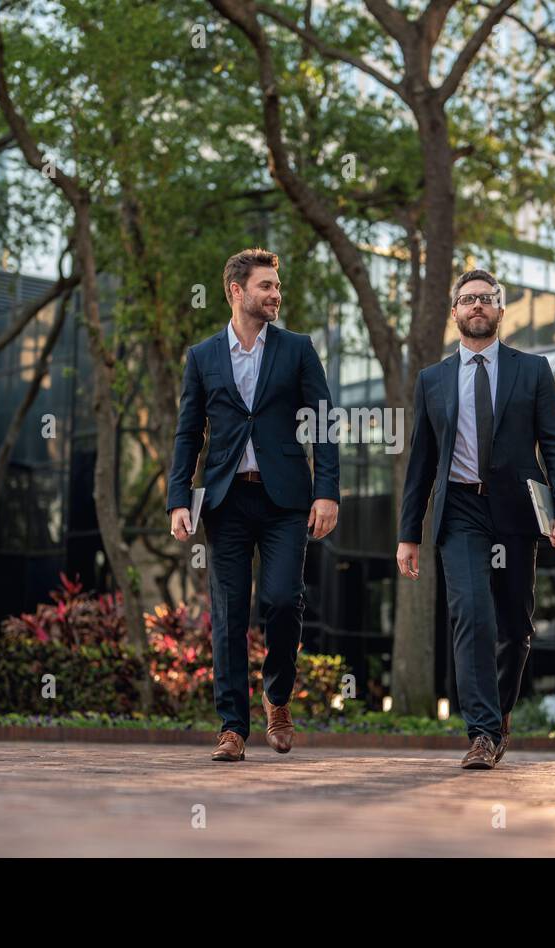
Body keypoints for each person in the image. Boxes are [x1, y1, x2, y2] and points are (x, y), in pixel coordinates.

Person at [396, 268, 555, 769]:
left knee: (514, 626)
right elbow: (420, 461)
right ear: (454, 312)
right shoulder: (432, 379)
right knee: (471, 614)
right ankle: (480, 732)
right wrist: (407, 533)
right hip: (460, 508)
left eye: (486, 298)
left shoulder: (532, 370)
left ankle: (497, 712)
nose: (476, 306)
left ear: (500, 310)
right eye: (467, 299)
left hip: (517, 509)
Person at [167, 248, 340, 761]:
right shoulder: (202, 357)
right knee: (228, 614)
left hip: (286, 498)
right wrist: (180, 496)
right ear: (236, 292)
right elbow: (187, 433)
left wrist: (327, 490)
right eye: (266, 286)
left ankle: (277, 698)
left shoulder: (297, 349)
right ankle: (231, 727)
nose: (276, 295)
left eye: (277, 287)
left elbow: (325, 422)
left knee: (284, 600)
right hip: (224, 500)